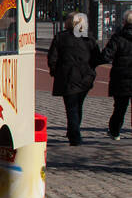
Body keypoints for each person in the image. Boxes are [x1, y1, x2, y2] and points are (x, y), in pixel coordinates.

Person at [48, 11, 103, 145]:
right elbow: (96, 58)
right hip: (84, 76)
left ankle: (74, 135)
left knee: (71, 107)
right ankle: (73, 130)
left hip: (67, 75)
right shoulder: (88, 39)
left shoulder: (61, 37)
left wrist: (55, 71)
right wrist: (91, 70)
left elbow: (52, 57)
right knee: (78, 105)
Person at [103, 8, 132, 140]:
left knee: (120, 107)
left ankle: (115, 131)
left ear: (124, 21)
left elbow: (106, 55)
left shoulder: (118, 37)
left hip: (121, 76)